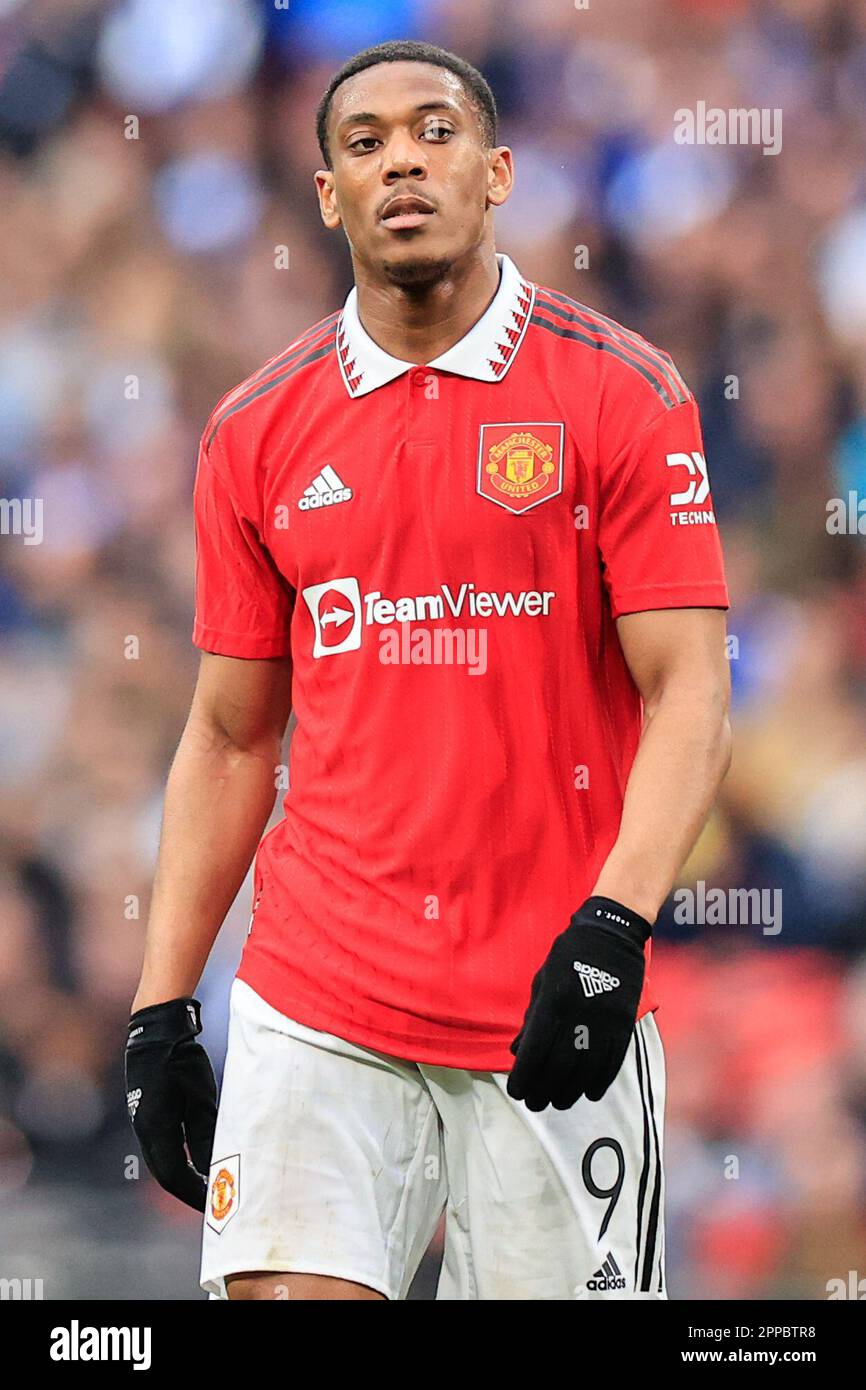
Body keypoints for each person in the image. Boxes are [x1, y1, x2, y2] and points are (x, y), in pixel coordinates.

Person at [125, 39, 731, 1301]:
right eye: (365, 143)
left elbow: (688, 693)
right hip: (318, 990)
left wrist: (613, 928)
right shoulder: (254, 431)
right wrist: (161, 1005)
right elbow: (231, 736)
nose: (401, 159)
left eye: (434, 131)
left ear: (495, 171)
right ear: (327, 194)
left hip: (547, 1000)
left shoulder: (622, 395)